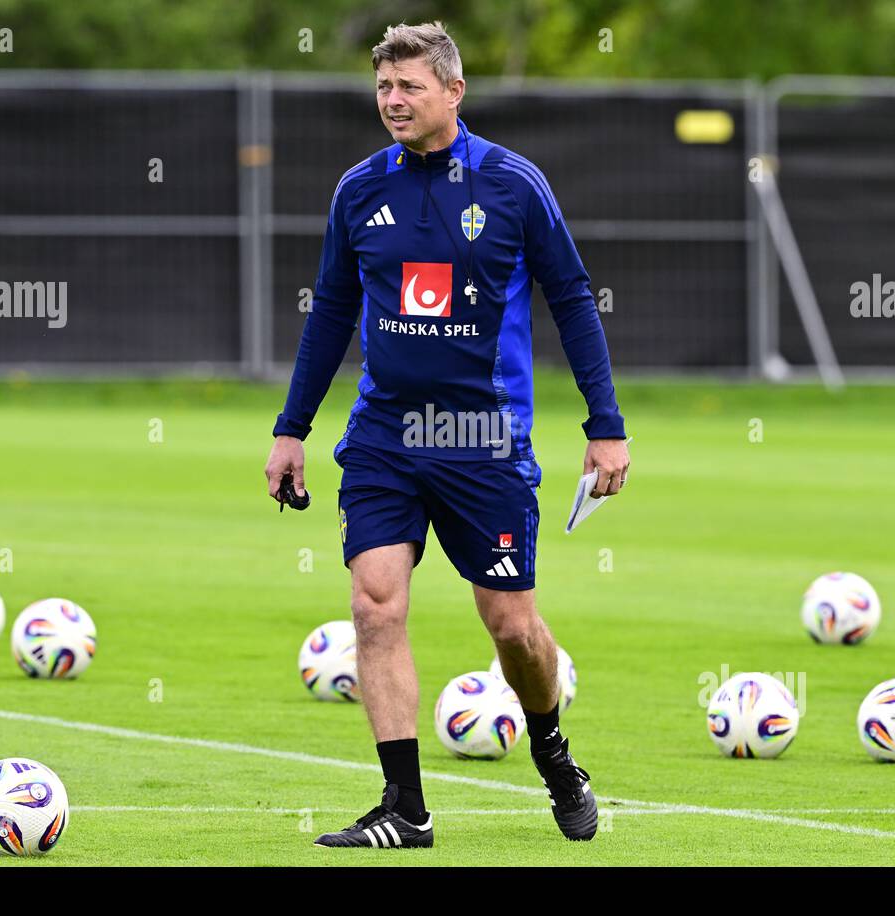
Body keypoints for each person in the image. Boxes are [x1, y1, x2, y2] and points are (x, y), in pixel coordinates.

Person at [265, 21, 628, 848]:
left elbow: (572, 298)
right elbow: (330, 311)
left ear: (453, 92)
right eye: (384, 88)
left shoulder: (513, 185)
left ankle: (554, 754)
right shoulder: (359, 190)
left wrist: (605, 427)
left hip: (483, 438)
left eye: (410, 88)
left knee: (511, 625)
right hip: (384, 436)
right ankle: (405, 806)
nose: (393, 102)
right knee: (375, 603)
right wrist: (292, 431)